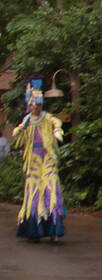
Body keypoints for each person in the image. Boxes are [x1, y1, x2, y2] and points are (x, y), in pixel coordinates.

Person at [12, 79, 66, 242]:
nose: (35, 107)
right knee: (33, 193)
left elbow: (56, 121)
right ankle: (33, 230)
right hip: (33, 161)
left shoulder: (46, 117)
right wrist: (22, 127)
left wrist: (57, 130)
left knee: (50, 190)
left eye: (38, 104)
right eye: (32, 104)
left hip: (48, 159)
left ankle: (54, 230)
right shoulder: (28, 120)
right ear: (29, 104)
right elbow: (16, 135)